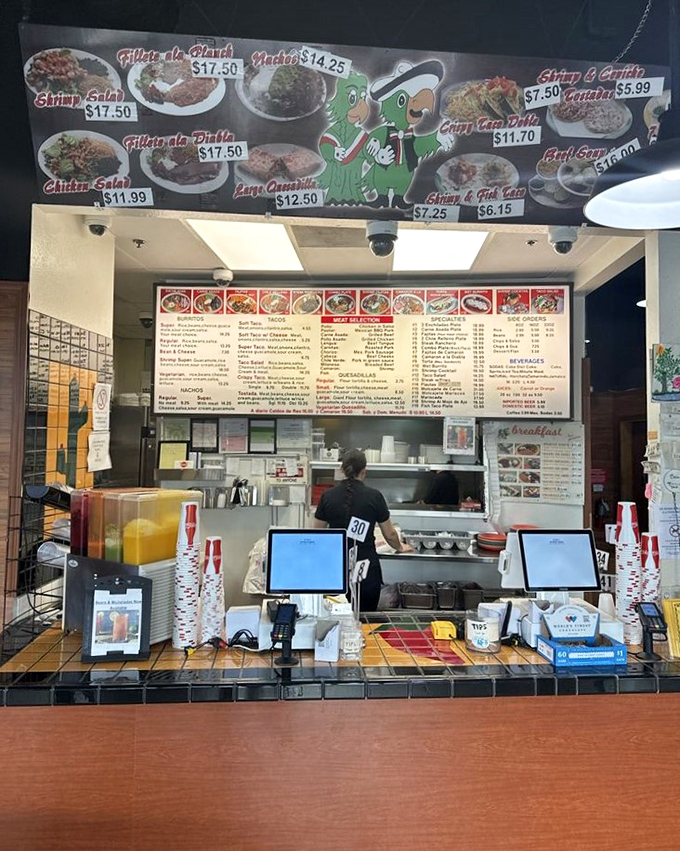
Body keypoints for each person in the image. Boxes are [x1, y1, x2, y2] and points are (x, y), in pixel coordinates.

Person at [313, 448, 411, 611]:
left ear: (341, 469)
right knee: (365, 622)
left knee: (335, 618)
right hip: (366, 570)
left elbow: (317, 534)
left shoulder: (327, 496)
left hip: (336, 569)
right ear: (364, 472)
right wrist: (400, 547)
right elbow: (390, 534)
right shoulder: (374, 496)